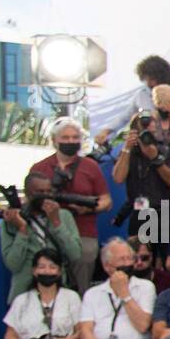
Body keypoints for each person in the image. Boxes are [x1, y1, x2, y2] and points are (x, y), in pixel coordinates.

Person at [30, 117, 112, 293]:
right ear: (54, 140)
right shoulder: (40, 167)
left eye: (75, 137)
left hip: (83, 230)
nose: (71, 141)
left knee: (82, 273)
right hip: (47, 230)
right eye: (65, 138)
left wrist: (88, 208)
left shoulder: (90, 166)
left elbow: (106, 200)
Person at [0, 172, 82, 302]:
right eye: (40, 191)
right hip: (24, 294)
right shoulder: (11, 220)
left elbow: (75, 255)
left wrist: (57, 223)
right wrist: (22, 230)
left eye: (49, 191)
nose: (46, 196)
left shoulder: (64, 216)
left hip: (58, 292)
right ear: (28, 193)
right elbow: (13, 264)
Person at [113, 114, 170, 259]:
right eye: (143, 133)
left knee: (166, 260)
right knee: (139, 258)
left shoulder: (165, 150)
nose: (146, 137)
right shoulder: (129, 153)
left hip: (166, 213)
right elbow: (118, 178)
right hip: (140, 214)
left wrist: (155, 158)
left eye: (150, 133)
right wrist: (127, 149)